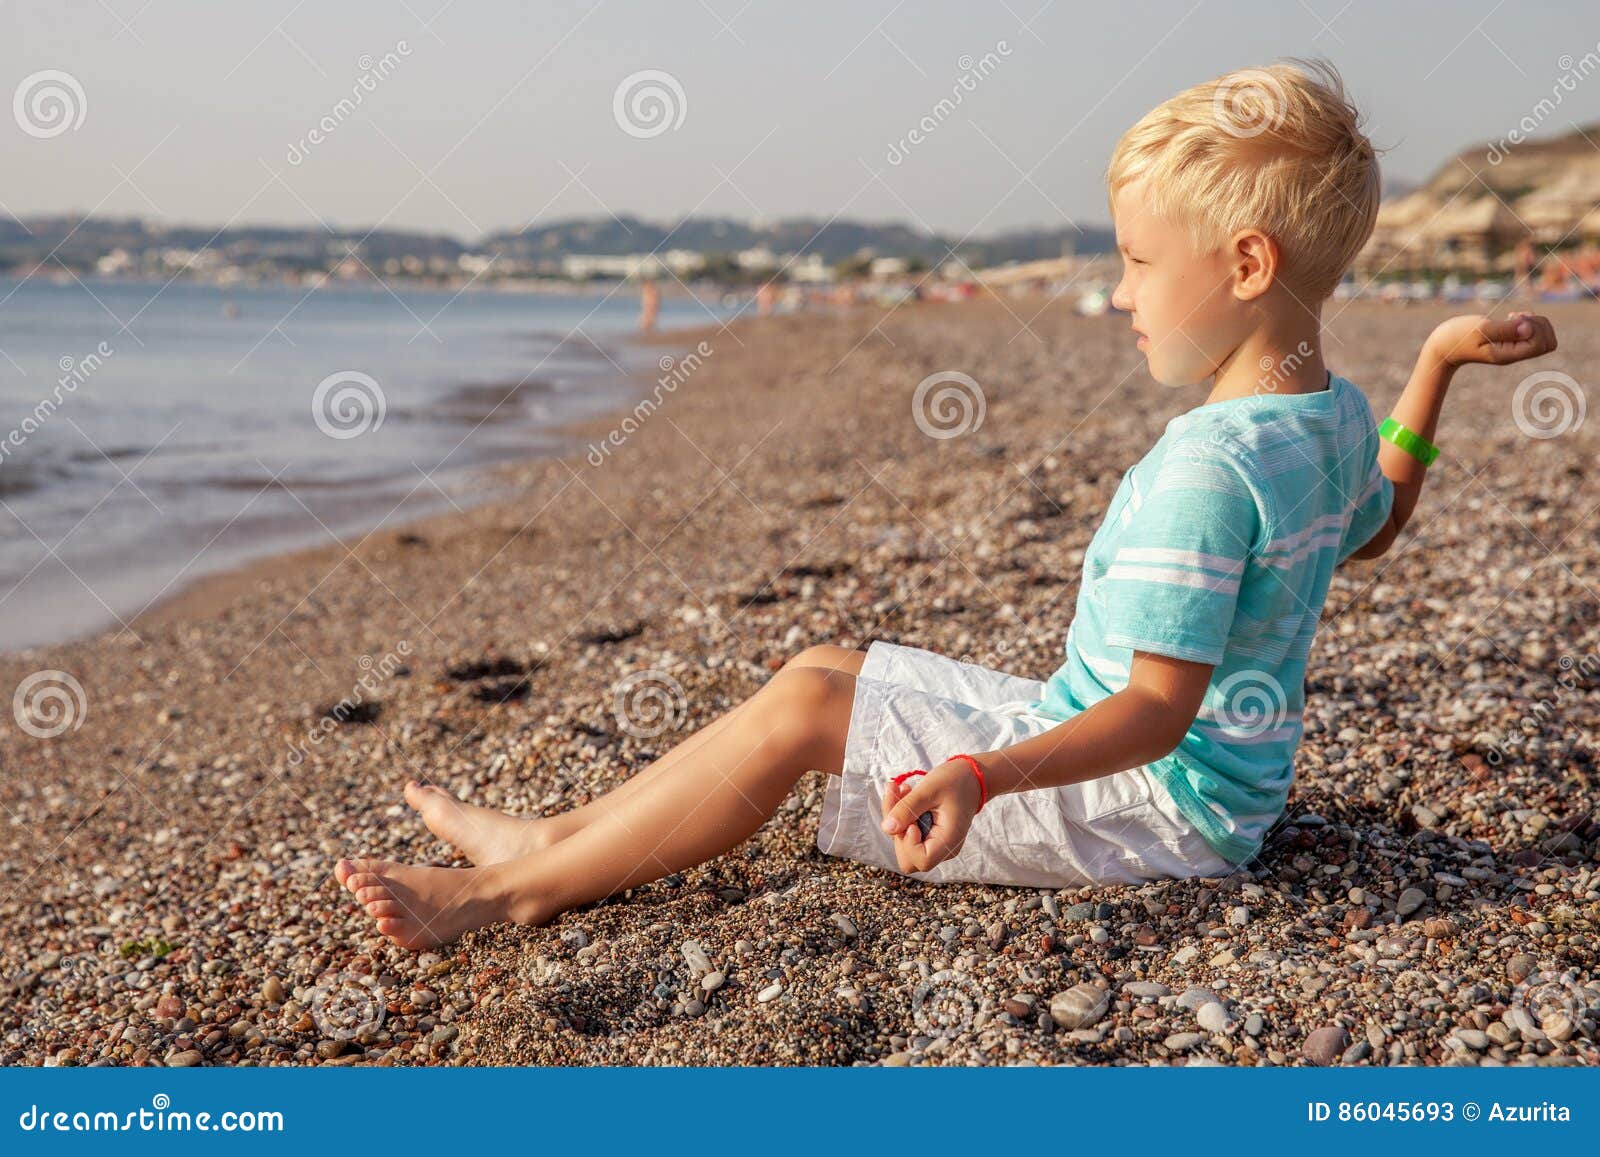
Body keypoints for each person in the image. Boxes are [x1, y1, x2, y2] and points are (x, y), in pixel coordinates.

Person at [336, 59, 1558, 949]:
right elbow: (1373, 527)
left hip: (1153, 812)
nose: (1122, 291)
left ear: (1245, 267)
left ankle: (511, 895)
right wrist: (1435, 366)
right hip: (1214, 795)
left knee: (805, 711)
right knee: (824, 661)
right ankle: (555, 837)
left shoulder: (1207, 467)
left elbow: (1148, 711)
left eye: (1138, 260)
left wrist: (984, 771)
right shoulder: (1331, 412)